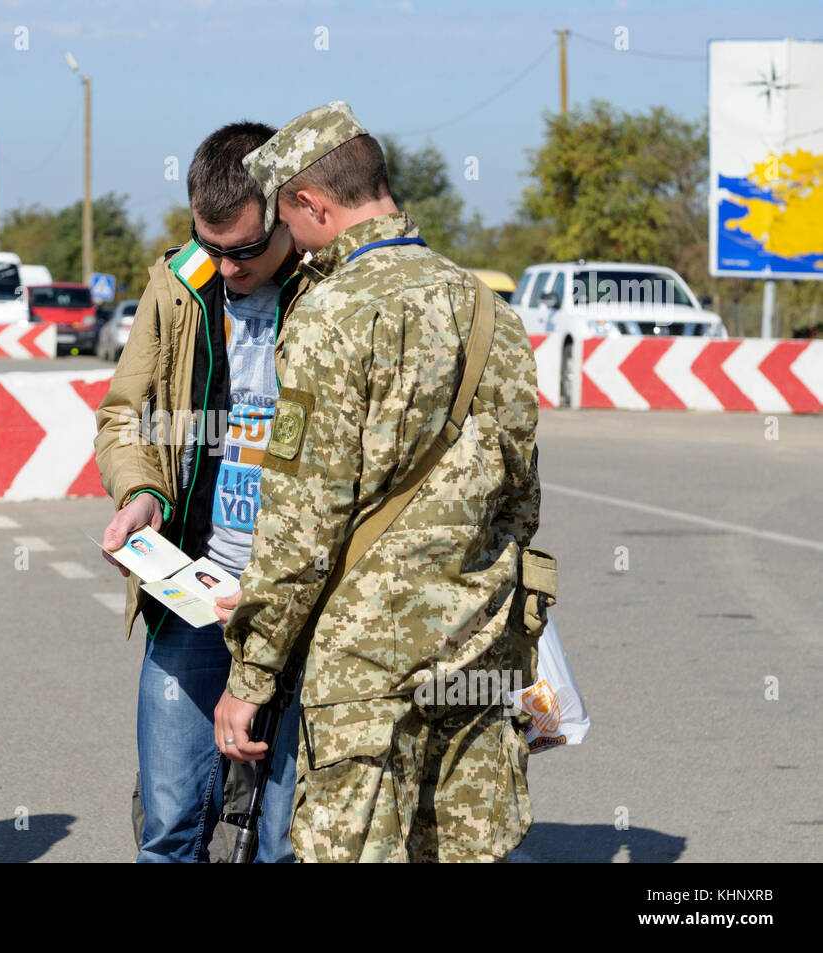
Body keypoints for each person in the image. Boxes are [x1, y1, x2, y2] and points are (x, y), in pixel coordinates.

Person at [215, 101, 543, 863]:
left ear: (313, 204)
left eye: (289, 225)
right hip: (478, 649)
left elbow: (301, 521)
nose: (287, 244)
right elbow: (521, 500)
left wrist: (251, 676)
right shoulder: (491, 311)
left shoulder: (330, 318)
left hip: (367, 672)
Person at [94, 121, 304, 863]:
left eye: (245, 249)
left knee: (290, 836)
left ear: (291, 211)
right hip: (193, 589)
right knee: (170, 821)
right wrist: (142, 493)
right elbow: (125, 413)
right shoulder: (180, 285)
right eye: (210, 245)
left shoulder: (333, 294)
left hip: (302, 604)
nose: (227, 265)